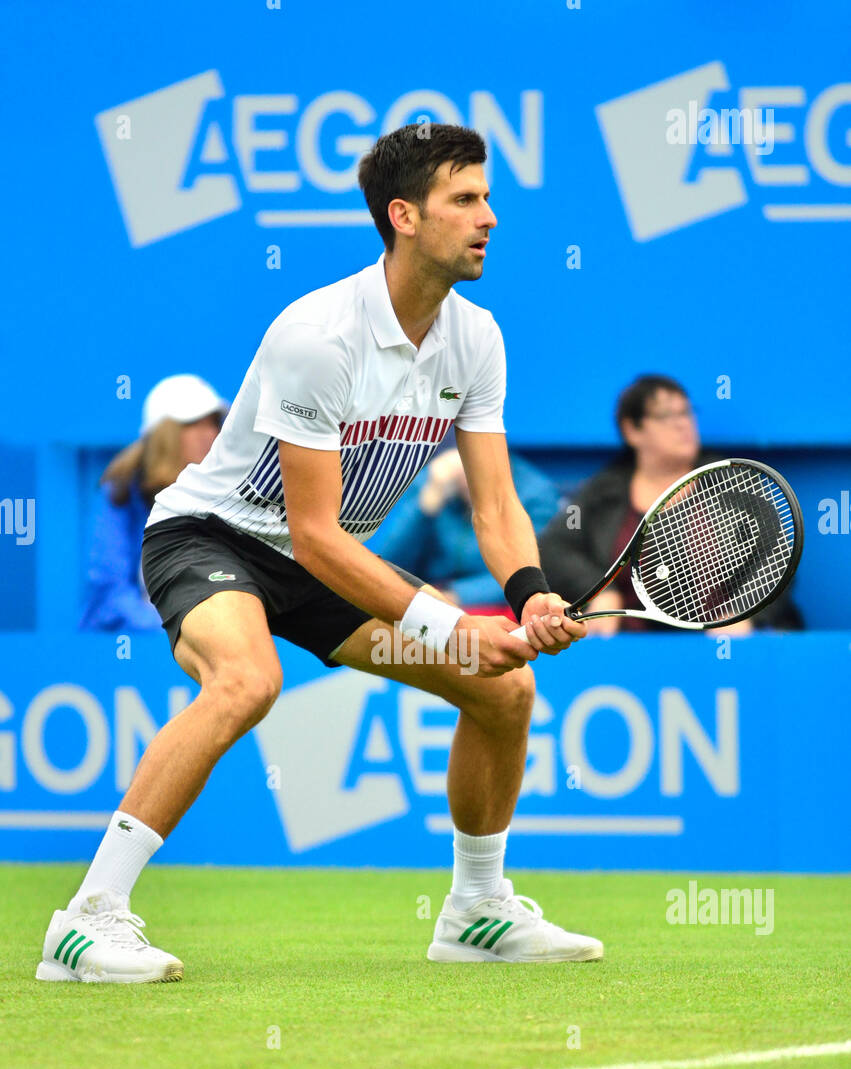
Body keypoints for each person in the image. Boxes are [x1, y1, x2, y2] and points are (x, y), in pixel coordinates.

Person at [36, 123, 602, 985]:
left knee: (506, 687)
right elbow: (314, 533)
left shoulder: (475, 338)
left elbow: (491, 502)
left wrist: (526, 593)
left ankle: (475, 909)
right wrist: (452, 626)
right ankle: (86, 919)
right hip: (213, 536)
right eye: (466, 199)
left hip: (323, 561)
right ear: (403, 216)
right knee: (247, 679)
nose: (489, 217)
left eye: (487, 197)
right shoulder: (318, 336)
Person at [538, 374, 803, 635]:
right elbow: (554, 550)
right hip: (630, 648)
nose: (683, 424)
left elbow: (777, 558)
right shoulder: (602, 493)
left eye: (686, 413)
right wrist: (599, 593)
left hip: (726, 647)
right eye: (666, 415)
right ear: (632, 430)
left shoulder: (733, 483)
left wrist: (746, 614)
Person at [79, 376, 226, 631]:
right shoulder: (121, 492)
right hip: (141, 654)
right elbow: (110, 598)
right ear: (163, 436)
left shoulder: (230, 494)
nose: (210, 434)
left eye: (213, 424)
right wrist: (188, 630)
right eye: (194, 424)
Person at [372, 444, 560, 609]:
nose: (473, 477)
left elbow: (533, 573)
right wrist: (426, 507)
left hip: (489, 607)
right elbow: (390, 562)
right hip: (423, 600)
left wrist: (456, 595)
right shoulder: (430, 481)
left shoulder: (535, 494)